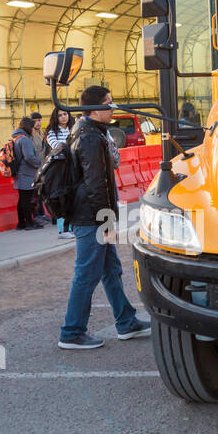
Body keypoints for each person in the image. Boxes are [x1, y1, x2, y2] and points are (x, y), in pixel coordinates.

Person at [58, 85, 150, 350]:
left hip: (89, 215)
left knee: (110, 270)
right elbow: (96, 184)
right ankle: (72, 331)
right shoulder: (90, 137)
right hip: (91, 218)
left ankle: (126, 321)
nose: (113, 108)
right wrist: (106, 221)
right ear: (94, 109)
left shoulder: (86, 131)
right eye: (108, 103)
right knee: (86, 274)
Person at [45, 107, 74, 237]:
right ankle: (63, 229)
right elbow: (57, 146)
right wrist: (69, 146)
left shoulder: (74, 128)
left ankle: (73, 227)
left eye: (65, 114)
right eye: (60, 115)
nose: (63, 117)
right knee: (61, 198)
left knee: (73, 198)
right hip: (59, 169)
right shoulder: (51, 131)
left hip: (72, 166)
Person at [11, 117, 41, 230]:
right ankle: (29, 223)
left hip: (19, 172)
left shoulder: (16, 138)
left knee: (22, 199)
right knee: (27, 199)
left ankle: (21, 223)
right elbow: (29, 157)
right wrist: (39, 163)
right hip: (27, 173)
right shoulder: (25, 140)